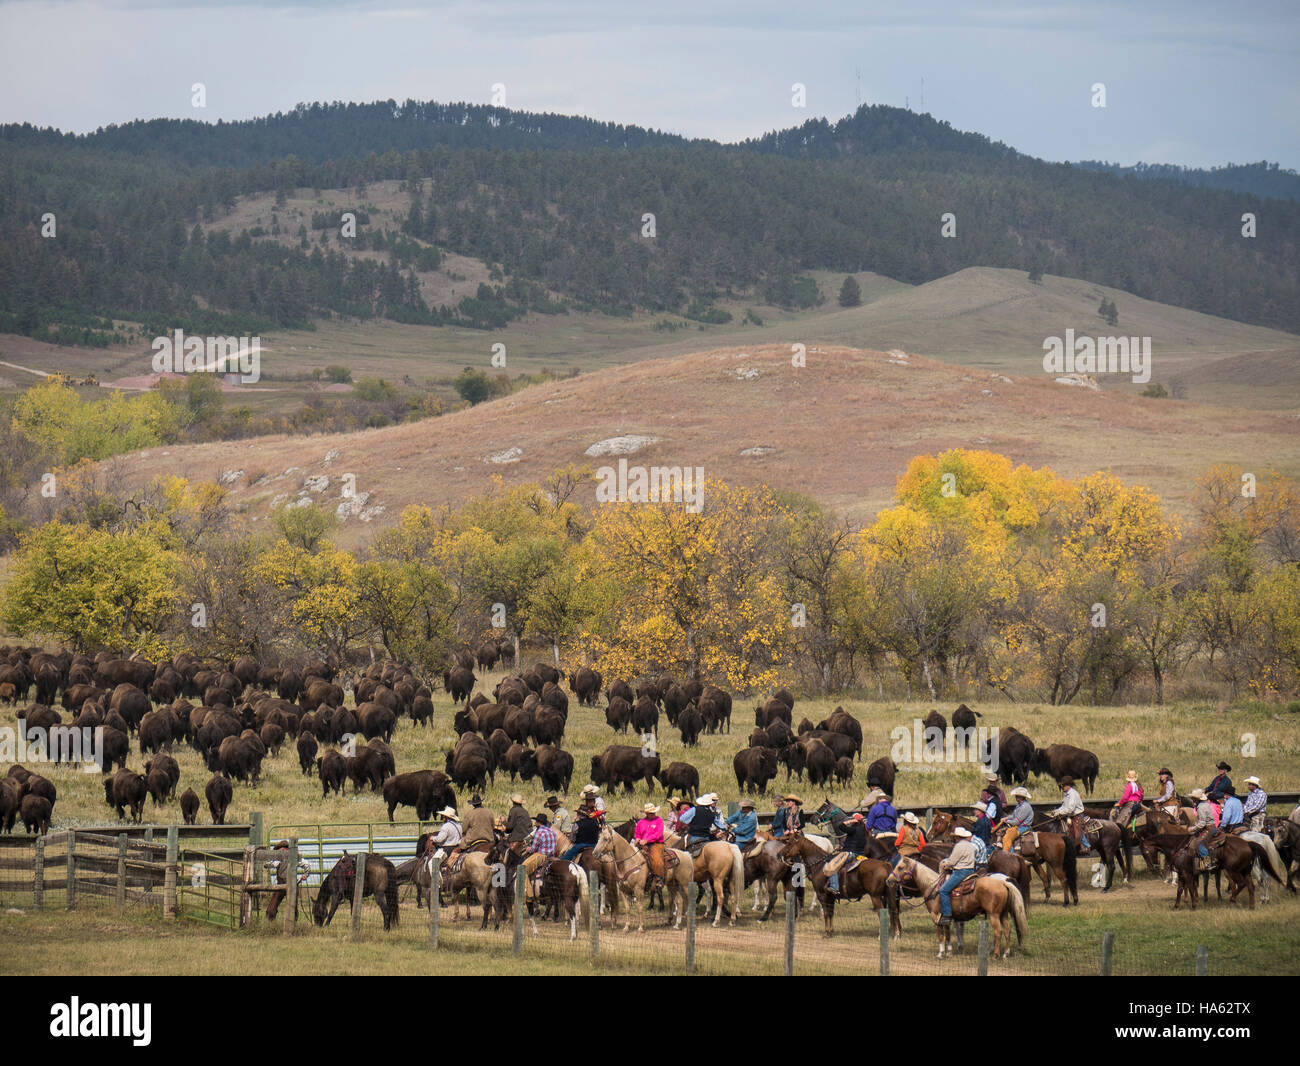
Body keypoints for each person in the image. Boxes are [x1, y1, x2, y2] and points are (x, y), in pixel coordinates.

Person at [934, 826, 977, 927]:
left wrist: (946, 864)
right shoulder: (971, 845)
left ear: (957, 837)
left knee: (943, 891)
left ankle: (947, 915)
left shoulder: (958, 846)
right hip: (971, 871)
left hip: (960, 872)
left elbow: (952, 861)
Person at [448, 794, 494, 867]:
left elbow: (464, 829)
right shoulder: (489, 812)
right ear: (481, 802)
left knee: (456, 853)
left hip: (472, 840)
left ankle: (452, 870)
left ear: (473, 804)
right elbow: (493, 826)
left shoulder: (469, 814)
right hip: (488, 839)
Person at [827, 813, 868, 895]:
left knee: (831, 863)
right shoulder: (864, 831)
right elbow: (855, 842)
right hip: (861, 855)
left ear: (855, 821)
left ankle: (834, 886)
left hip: (851, 854)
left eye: (852, 819)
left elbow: (841, 826)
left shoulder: (854, 829)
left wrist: (849, 821)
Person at [524, 812, 559, 900]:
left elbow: (533, 849)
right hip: (551, 856)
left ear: (538, 822)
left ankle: (529, 895)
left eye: (536, 821)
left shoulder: (539, 832)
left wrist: (528, 849)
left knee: (522, 869)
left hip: (541, 855)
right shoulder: (552, 831)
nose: (535, 823)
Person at [635, 803, 667, 888]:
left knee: (656, 858)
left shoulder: (659, 820)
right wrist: (637, 838)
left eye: (653, 812)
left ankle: (659, 877)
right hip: (643, 844)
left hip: (656, 843)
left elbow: (658, 834)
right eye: (651, 813)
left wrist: (647, 840)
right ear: (646, 813)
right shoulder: (641, 822)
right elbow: (637, 833)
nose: (653, 814)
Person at [1048, 777, 1084, 844]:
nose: (1062, 787)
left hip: (1076, 816)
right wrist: (1057, 811)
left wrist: (1059, 812)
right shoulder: (1067, 794)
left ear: (1068, 785)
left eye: (1063, 785)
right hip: (1070, 815)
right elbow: (1064, 806)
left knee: (1076, 830)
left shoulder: (1073, 794)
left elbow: (1070, 809)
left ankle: (1085, 845)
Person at [1188, 788, 1217, 862]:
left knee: (1199, 844)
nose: (1192, 799)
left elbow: (1202, 823)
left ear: (1195, 799)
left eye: (1193, 798)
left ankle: (1208, 861)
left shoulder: (1200, 807)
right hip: (1211, 826)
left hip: (1208, 828)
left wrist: (1192, 829)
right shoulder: (1205, 804)